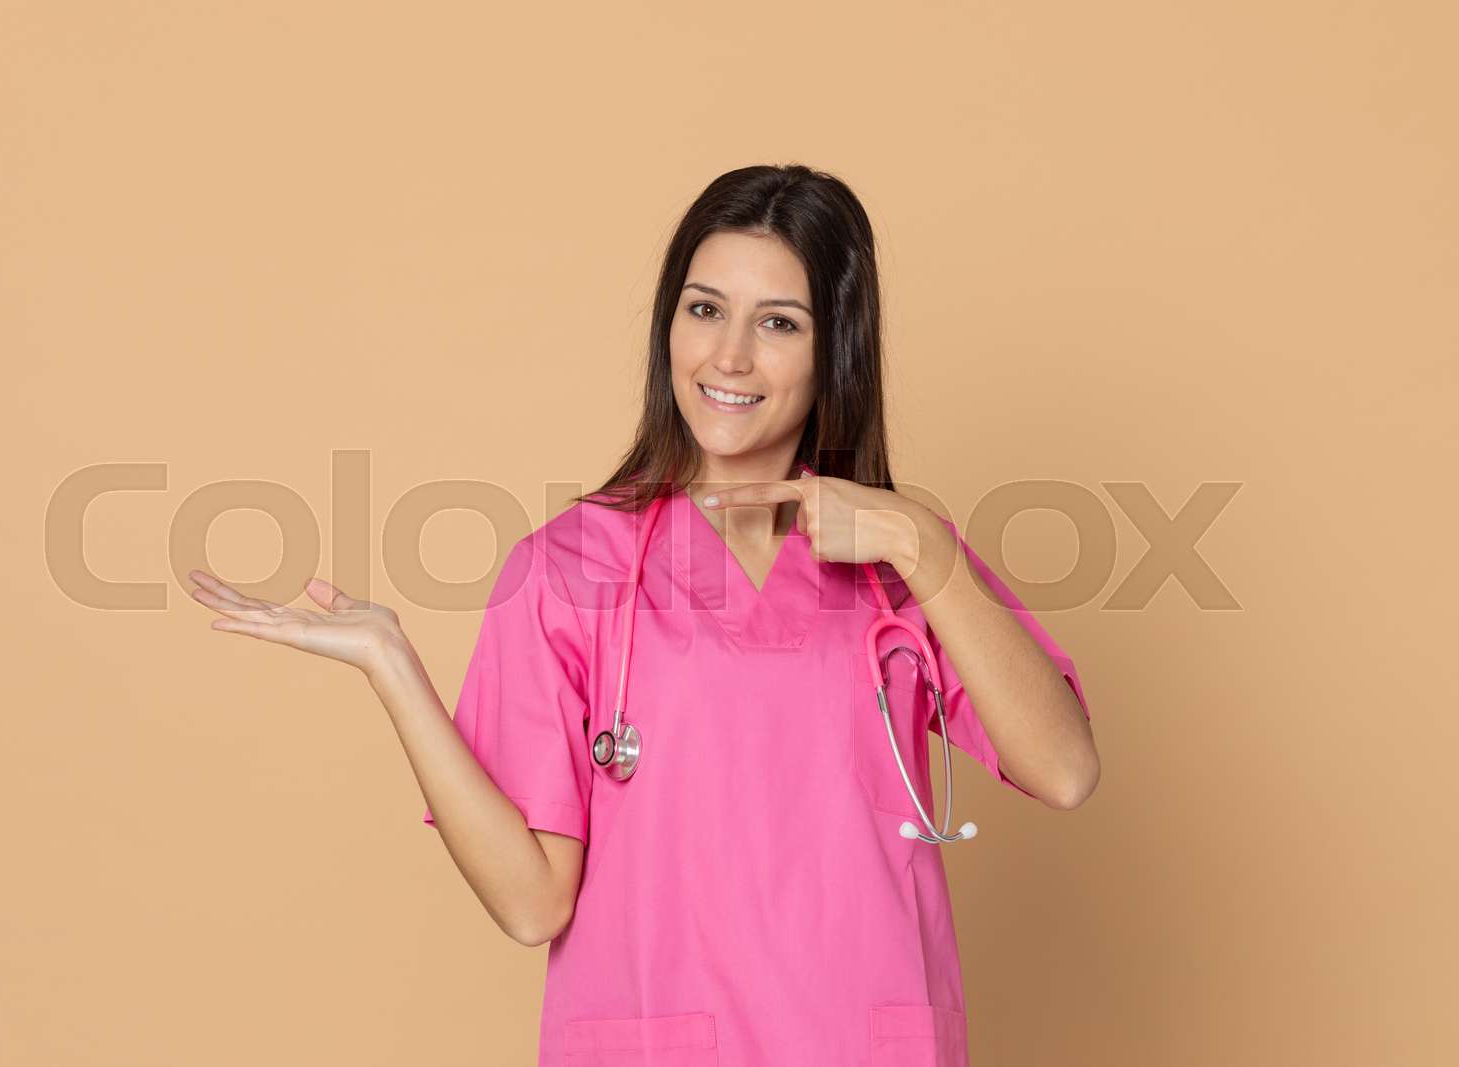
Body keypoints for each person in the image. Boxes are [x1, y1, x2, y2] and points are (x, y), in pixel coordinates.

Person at [189, 163, 1098, 1066]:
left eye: (778, 322)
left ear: (837, 352)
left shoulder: (902, 557)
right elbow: (532, 902)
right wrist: (393, 664)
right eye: (705, 309)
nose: (729, 356)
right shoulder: (567, 569)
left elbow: (1062, 769)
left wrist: (927, 550)